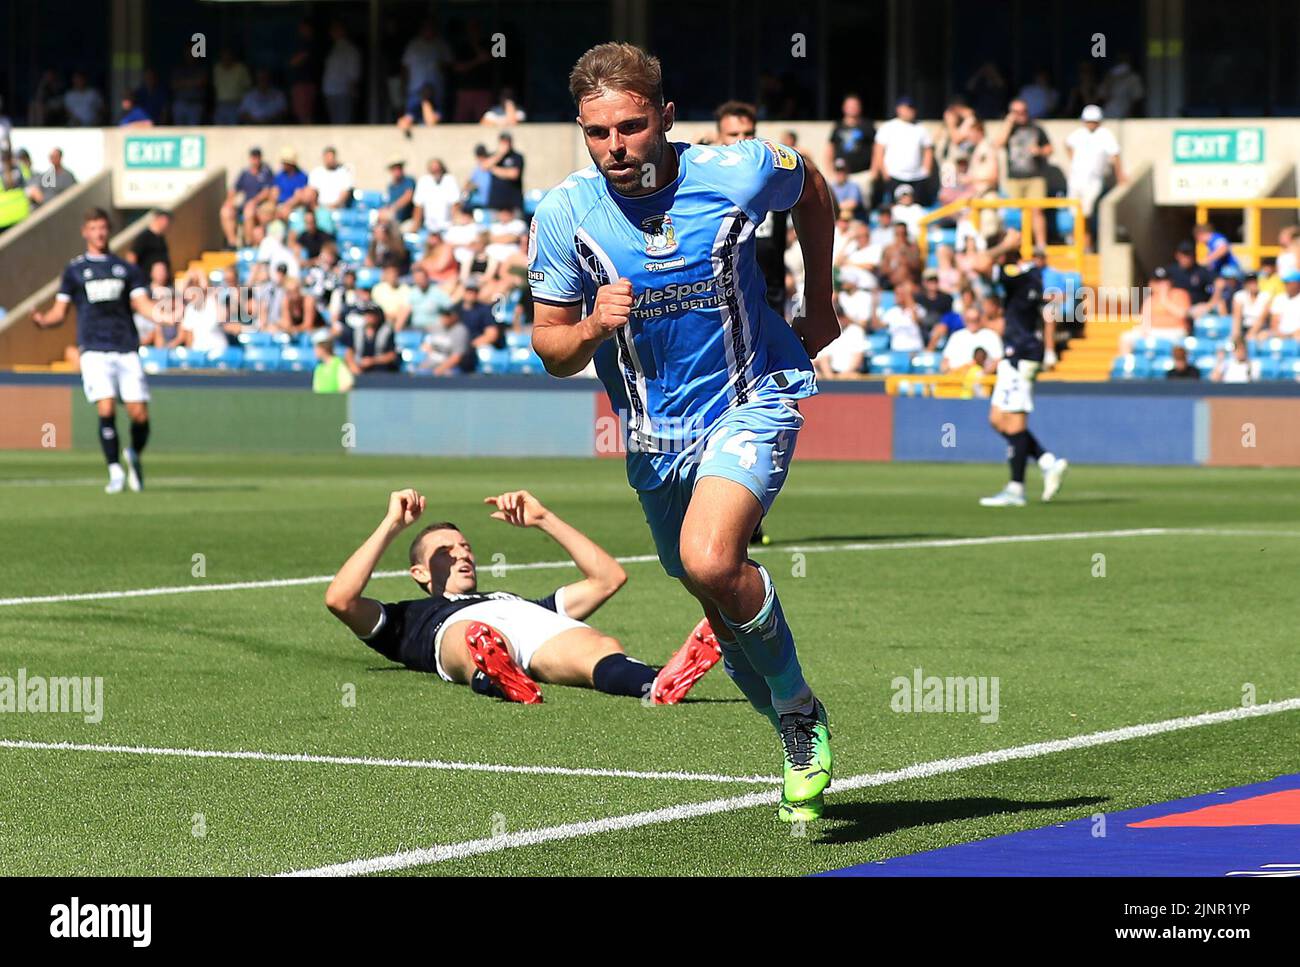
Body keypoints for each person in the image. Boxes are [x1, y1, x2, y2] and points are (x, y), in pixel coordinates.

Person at [529, 42, 837, 822]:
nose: (615, 147)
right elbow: (552, 350)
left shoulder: (737, 170)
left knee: (711, 556)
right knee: (703, 579)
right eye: (597, 133)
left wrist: (821, 299)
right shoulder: (566, 213)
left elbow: (815, 191)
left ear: (665, 118)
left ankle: (798, 708)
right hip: (654, 437)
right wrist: (595, 324)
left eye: (631, 127)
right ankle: (779, 709)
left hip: (751, 397)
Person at [326, 487, 723, 705]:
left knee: (597, 645)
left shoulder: (516, 600)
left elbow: (607, 578)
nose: (462, 553)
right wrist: (392, 524)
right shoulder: (407, 618)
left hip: (528, 625)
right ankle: (493, 673)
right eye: (445, 551)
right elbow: (340, 600)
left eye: (465, 547)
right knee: (468, 634)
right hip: (455, 631)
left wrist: (543, 519)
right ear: (418, 572)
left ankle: (653, 685)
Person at [32, 208, 171, 493]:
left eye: (103, 227)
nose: (99, 233)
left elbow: (142, 303)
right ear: (85, 232)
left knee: (139, 414)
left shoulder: (126, 269)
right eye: (93, 228)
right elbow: (61, 311)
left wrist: (162, 315)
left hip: (125, 347)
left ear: (109, 231)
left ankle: (133, 454)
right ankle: (114, 470)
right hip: (94, 347)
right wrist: (44, 321)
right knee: (105, 406)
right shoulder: (74, 271)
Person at [968, 229, 1069, 506]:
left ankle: (1016, 488)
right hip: (1016, 353)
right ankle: (1048, 461)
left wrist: (1002, 246)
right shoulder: (1030, 277)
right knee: (997, 419)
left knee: (1014, 421)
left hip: (1022, 355)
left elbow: (978, 263)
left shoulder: (1017, 277)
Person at [995, 99, 1052, 248]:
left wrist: (1039, 151)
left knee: (1036, 211)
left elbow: (1049, 149)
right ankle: (1016, 245)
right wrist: (1008, 123)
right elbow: (998, 144)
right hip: (1014, 178)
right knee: (1014, 215)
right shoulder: (1008, 129)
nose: (1021, 115)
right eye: (1016, 112)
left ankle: (1040, 245)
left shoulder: (1036, 128)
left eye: (1023, 111)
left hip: (1035, 177)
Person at [1065, 105, 1122, 246]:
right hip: (1076, 178)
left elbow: (1115, 155)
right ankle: (1078, 240)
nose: (1090, 124)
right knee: (1075, 212)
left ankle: (1085, 242)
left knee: (1086, 212)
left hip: (1093, 179)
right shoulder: (1078, 134)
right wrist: (1073, 162)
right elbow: (1067, 145)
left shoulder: (1105, 134)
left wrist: (1120, 175)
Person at [871, 96, 933, 207]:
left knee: (916, 208)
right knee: (894, 208)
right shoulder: (888, 127)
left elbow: (928, 151)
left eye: (912, 108)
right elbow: (878, 151)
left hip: (916, 177)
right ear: (898, 109)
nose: (910, 111)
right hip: (894, 176)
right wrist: (884, 173)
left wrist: (926, 171)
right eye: (907, 108)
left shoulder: (921, 129)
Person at [824, 93, 875, 204]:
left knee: (863, 204)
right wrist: (829, 170)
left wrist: (874, 171)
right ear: (844, 107)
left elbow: (876, 148)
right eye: (849, 105)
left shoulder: (867, 126)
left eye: (855, 105)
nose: (852, 108)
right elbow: (830, 148)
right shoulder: (838, 126)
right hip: (840, 174)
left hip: (862, 173)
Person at [220, 147, 275, 248]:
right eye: (253, 157)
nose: (255, 160)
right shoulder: (245, 173)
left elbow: (267, 191)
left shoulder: (266, 172)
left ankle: (248, 243)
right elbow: (234, 189)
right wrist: (229, 202)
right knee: (226, 211)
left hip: (260, 205)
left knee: (249, 212)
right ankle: (232, 243)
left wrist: (254, 201)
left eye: (257, 157)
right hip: (246, 204)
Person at [321, 20, 362, 125]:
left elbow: (354, 73)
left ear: (343, 31)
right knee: (335, 122)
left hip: (343, 92)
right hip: (330, 91)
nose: (332, 32)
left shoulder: (350, 49)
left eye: (335, 30)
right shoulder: (334, 48)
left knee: (343, 124)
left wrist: (353, 91)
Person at [412, 158, 460, 234]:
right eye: (433, 170)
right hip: (429, 228)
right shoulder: (424, 181)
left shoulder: (449, 180)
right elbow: (418, 206)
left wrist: (455, 226)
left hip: (447, 227)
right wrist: (415, 227)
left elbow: (455, 205)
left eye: (438, 169)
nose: (436, 172)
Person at [482, 133, 524, 213]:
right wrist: (500, 154)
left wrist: (494, 169)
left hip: (513, 204)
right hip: (496, 203)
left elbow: (513, 174)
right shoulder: (493, 156)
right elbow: (484, 166)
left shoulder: (517, 157)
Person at [213, 49, 252, 125]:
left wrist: (244, 106)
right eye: (224, 56)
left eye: (228, 55)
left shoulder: (241, 69)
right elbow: (215, 87)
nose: (226, 58)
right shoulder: (217, 68)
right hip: (221, 104)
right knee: (218, 130)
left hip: (236, 104)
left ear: (232, 56)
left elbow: (248, 87)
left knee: (234, 130)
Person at [128, 210, 171, 274]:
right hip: (146, 278)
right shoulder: (145, 236)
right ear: (158, 219)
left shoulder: (161, 238)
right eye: (165, 220)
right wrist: (134, 274)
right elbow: (132, 255)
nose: (167, 223)